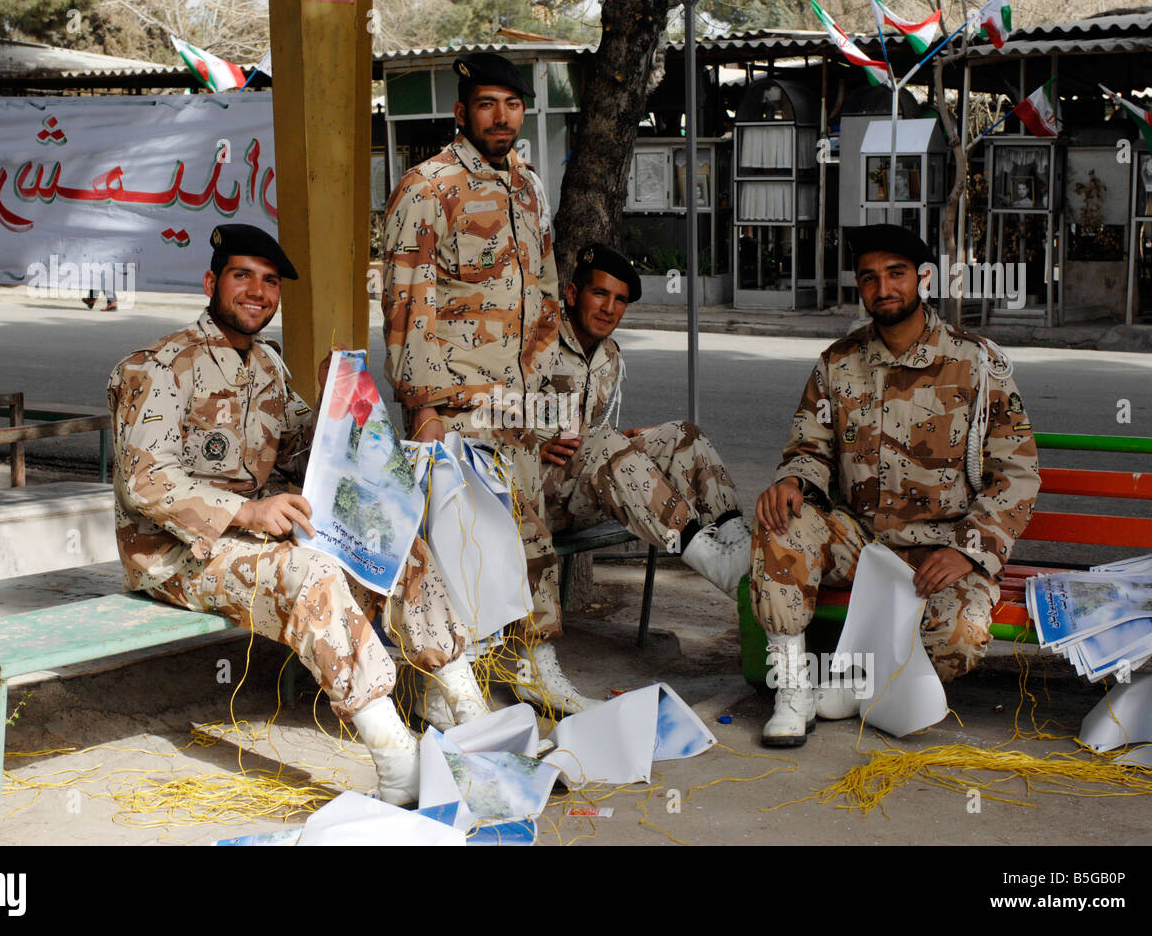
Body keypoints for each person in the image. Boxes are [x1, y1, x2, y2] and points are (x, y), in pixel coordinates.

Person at [107, 223, 488, 805]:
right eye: (242, 276)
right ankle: (395, 759)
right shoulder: (160, 366)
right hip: (177, 553)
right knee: (311, 575)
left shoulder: (267, 366)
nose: (258, 292)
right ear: (212, 282)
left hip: (254, 533)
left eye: (269, 282)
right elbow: (143, 482)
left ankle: (461, 701)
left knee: (389, 533)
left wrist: (345, 406)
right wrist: (249, 511)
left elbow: (307, 448)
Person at [750, 223, 1040, 748]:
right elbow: (808, 447)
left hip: (942, 550)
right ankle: (793, 688)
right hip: (862, 546)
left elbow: (1016, 473)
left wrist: (970, 551)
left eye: (896, 274)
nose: (883, 288)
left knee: (960, 640)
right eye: (869, 278)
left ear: (922, 278)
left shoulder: (975, 362)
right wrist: (794, 480)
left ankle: (854, 688)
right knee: (781, 518)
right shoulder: (837, 364)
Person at [381, 51, 597, 717]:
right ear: (461, 111)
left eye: (511, 104)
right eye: (486, 104)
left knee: (527, 537)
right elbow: (406, 304)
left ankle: (534, 661)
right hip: (458, 408)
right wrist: (423, 408)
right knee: (458, 549)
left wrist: (559, 400)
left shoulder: (528, 187)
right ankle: (445, 684)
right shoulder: (429, 185)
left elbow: (546, 302)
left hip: (522, 405)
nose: (500, 118)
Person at [538, 243, 752, 594]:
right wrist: (531, 445)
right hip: (530, 496)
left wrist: (626, 446)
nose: (609, 308)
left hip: (575, 490)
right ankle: (716, 564)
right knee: (608, 443)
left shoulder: (609, 356)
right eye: (600, 294)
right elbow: (481, 416)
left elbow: (586, 436)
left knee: (682, 436)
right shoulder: (534, 343)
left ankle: (737, 545)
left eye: (620, 300)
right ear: (573, 294)